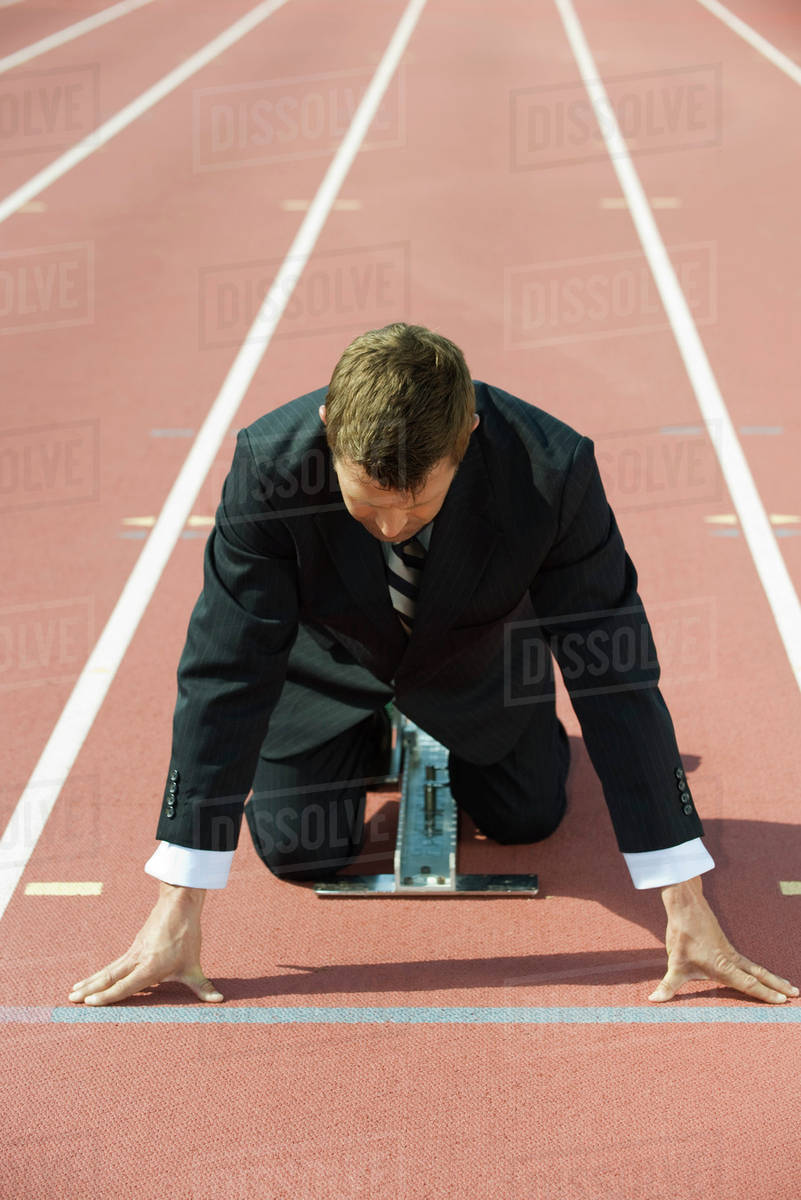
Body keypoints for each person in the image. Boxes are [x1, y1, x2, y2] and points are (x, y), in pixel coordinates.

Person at [69, 323, 797, 1008]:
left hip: (477, 659)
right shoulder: (269, 466)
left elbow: (612, 671)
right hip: (328, 666)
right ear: (327, 424)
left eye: (414, 510)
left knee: (528, 815)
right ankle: (372, 726)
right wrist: (176, 902)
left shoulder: (551, 469)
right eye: (368, 507)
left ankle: (507, 724)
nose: (389, 528)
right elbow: (226, 667)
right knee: (298, 849)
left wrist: (684, 898)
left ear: (468, 439)